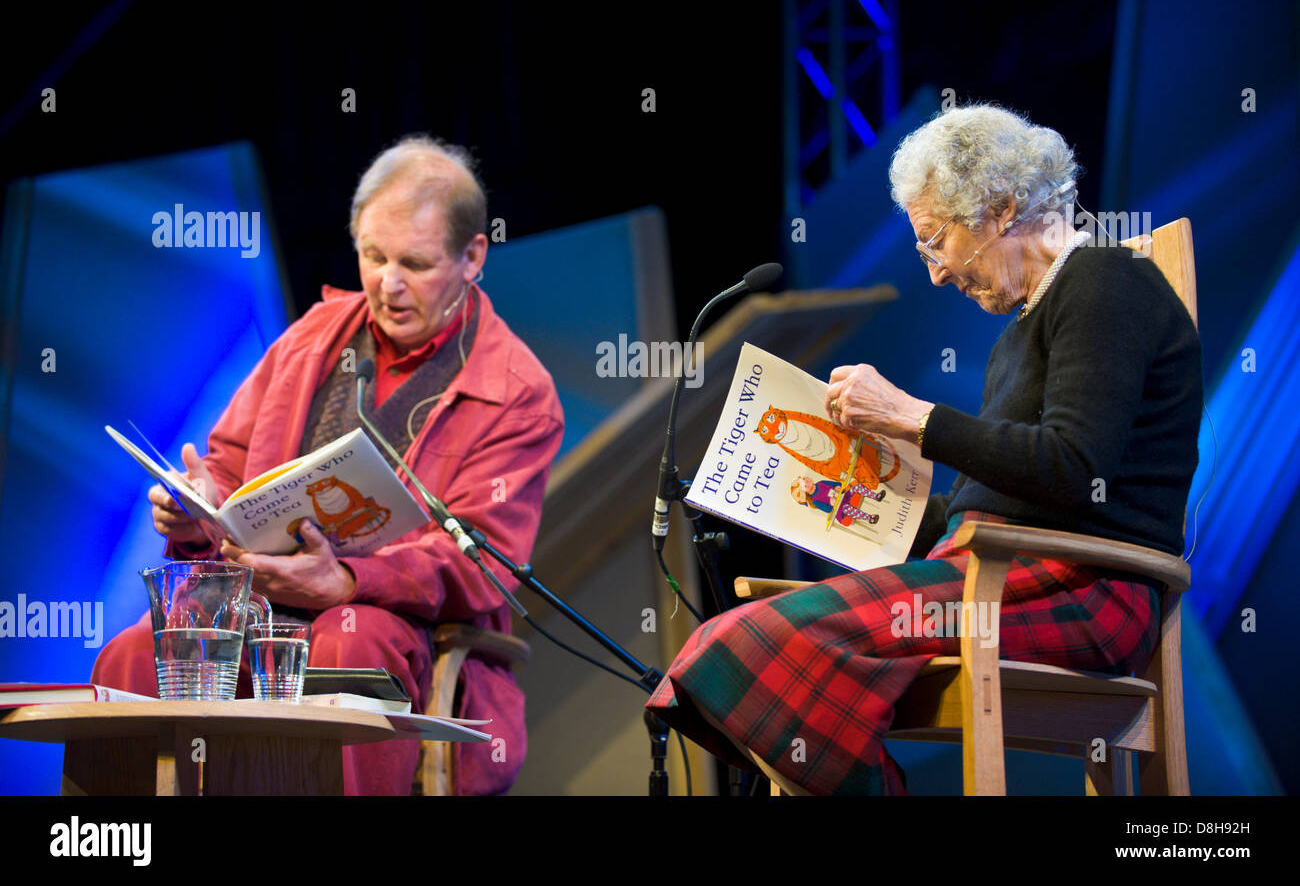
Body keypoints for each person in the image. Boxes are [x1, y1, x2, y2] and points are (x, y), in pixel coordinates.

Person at [645, 104, 1202, 795]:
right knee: (736, 643)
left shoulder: (1105, 282)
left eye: (936, 240)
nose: (937, 273)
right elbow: (996, 496)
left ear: (1000, 208)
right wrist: (841, 497)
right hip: (998, 574)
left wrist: (912, 417)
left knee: (758, 647)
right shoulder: (1019, 334)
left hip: (1082, 587)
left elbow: (1074, 468)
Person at [92, 136, 565, 796]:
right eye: (373, 256)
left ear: (472, 257)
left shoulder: (515, 390)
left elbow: (481, 561)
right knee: (133, 653)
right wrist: (198, 499)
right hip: (256, 607)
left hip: (395, 629)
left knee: (350, 642)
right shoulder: (314, 335)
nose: (387, 285)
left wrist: (346, 579)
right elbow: (227, 464)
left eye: (416, 263)